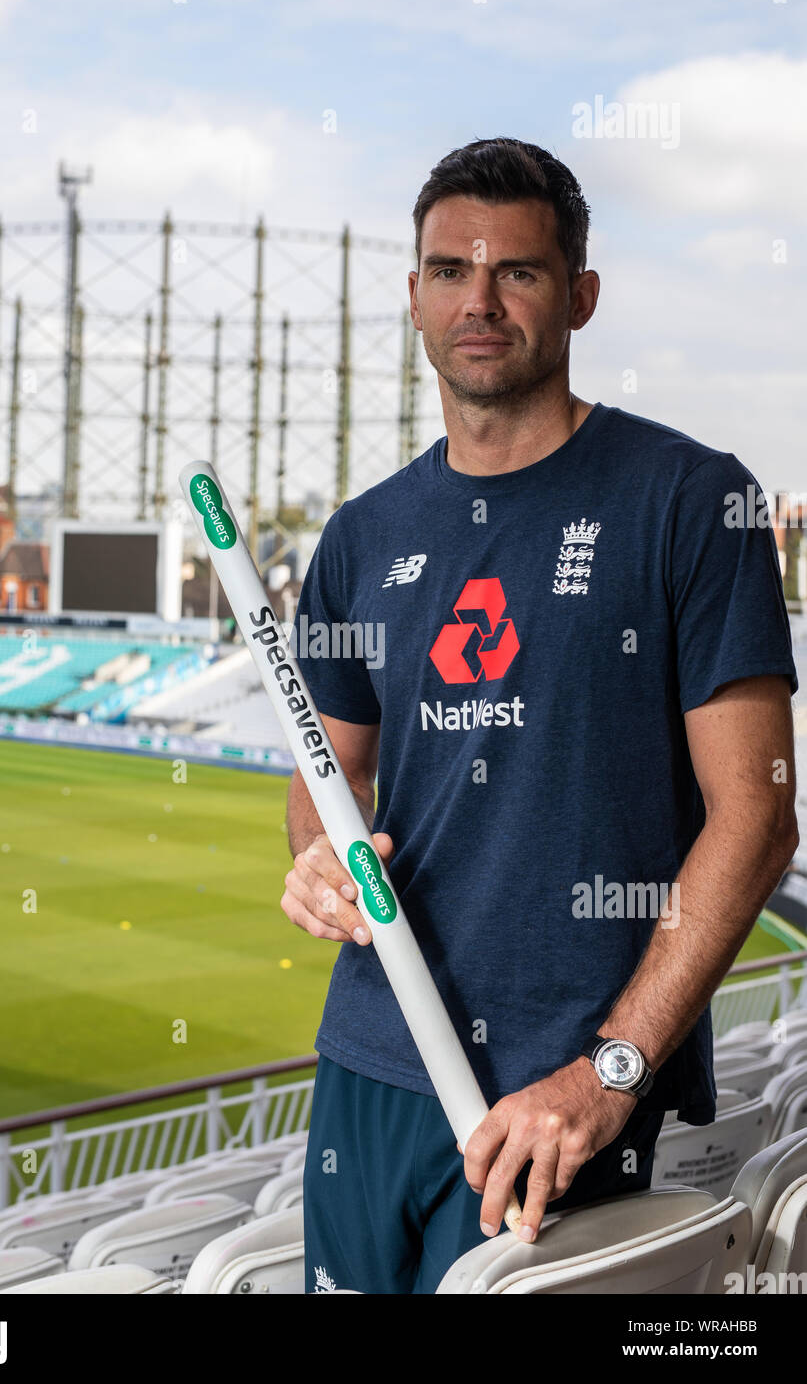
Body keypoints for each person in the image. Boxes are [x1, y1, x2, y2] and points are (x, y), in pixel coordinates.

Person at [282, 137, 799, 1295]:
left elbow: (758, 822)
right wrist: (318, 857)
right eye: (449, 271)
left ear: (579, 296)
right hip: (370, 1065)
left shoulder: (688, 498)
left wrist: (608, 1071)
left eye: (516, 272)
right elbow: (326, 782)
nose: (480, 301)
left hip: (559, 1101)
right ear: (412, 295)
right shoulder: (361, 535)